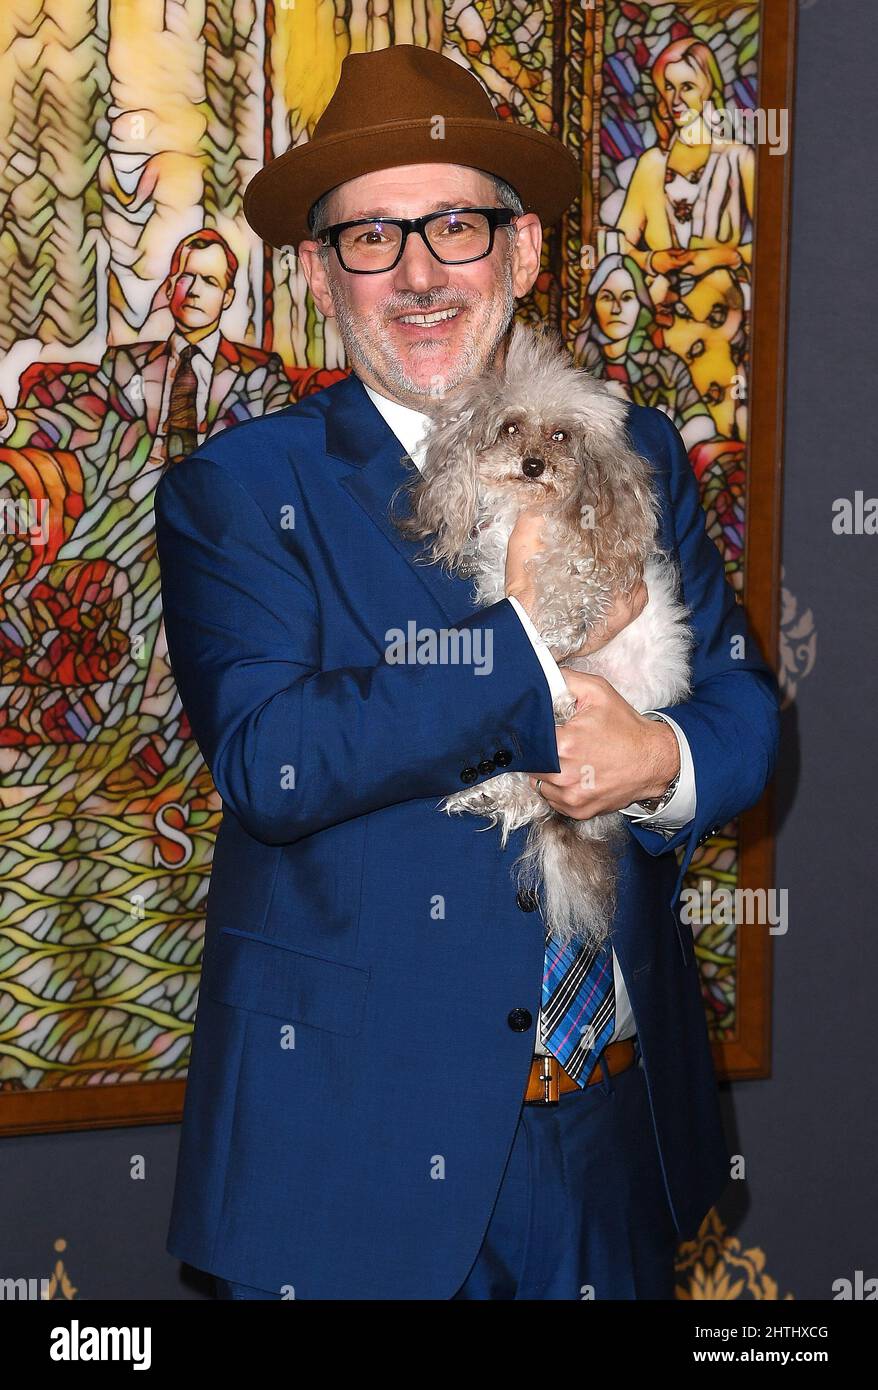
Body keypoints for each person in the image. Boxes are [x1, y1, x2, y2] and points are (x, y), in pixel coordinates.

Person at [154, 45, 779, 1301]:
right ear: (322, 273)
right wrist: (522, 640)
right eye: (372, 240)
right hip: (349, 1161)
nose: (420, 275)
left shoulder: (630, 442)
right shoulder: (241, 489)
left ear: (524, 252)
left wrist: (659, 759)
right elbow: (272, 759)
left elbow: (742, 701)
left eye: (454, 225)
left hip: (608, 1137)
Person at [0, 229, 290, 468]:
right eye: (185, 277)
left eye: (209, 281)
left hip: (220, 503)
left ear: (227, 297)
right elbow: (77, 418)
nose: (193, 290)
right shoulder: (125, 363)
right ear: (168, 288)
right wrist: (8, 422)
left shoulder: (261, 372)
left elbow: (286, 445)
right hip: (135, 505)